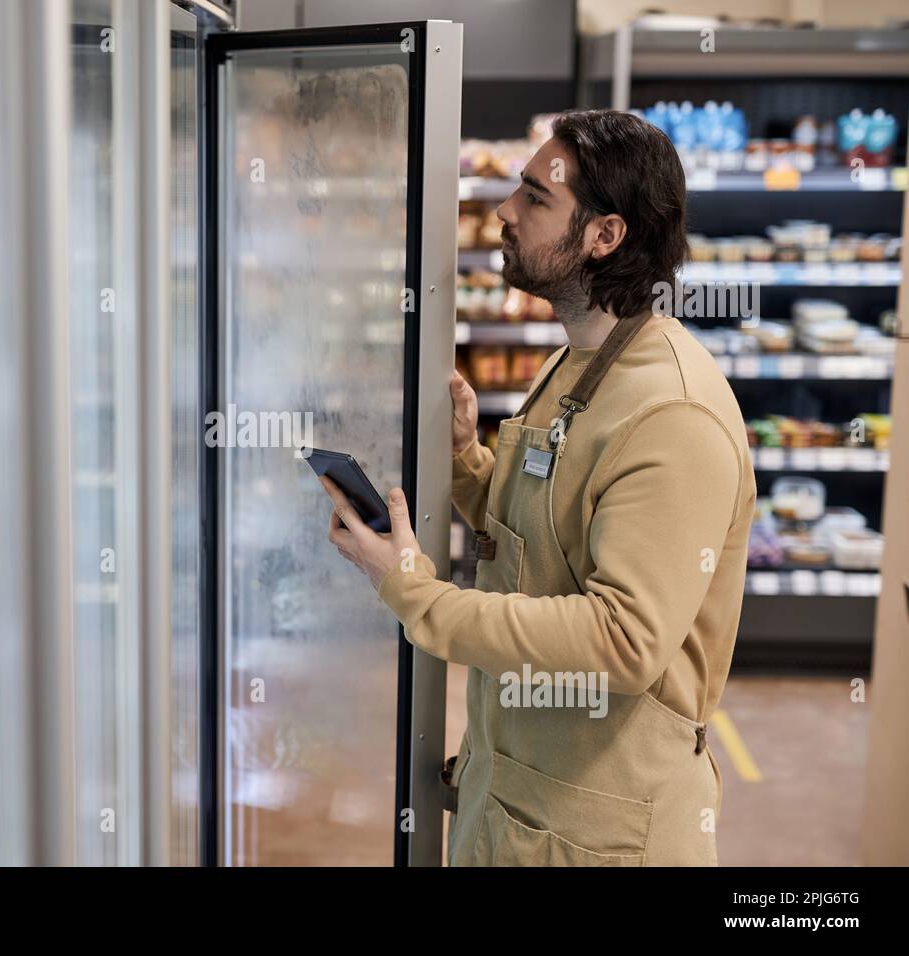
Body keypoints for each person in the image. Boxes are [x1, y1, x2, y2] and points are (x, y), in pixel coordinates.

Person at [321, 109, 756, 866]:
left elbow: (623, 642)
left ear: (604, 235)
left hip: (602, 833)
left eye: (534, 196)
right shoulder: (579, 363)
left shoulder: (673, 414)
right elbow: (545, 538)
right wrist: (465, 461)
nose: (503, 212)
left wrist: (413, 591)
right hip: (524, 804)